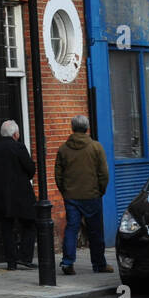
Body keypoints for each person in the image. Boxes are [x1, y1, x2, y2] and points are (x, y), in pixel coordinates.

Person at [54, 114, 113, 274]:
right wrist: (100, 190)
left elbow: (58, 174)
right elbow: (103, 173)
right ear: (87, 128)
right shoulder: (96, 147)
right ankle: (99, 264)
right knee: (95, 231)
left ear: (72, 128)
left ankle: (67, 263)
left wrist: (65, 191)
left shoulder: (63, 149)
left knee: (71, 229)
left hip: (71, 196)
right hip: (92, 195)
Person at [0, 120, 36, 270]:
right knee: (30, 223)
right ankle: (25, 256)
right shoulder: (19, 147)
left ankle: (11, 262)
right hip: (21, 194)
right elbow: (30, 168)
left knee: (6, 228)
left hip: (1, 194)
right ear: (15, 134)